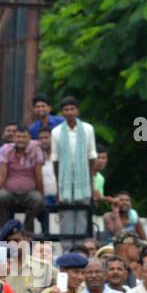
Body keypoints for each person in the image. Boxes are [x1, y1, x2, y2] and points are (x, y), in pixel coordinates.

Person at [50, 96, 96, 242]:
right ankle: (67, 248)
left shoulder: (88, 129)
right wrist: (58, 186)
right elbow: (55, 160)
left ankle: (81, 248)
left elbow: (91, 157)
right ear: (62, 112)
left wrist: (91, 184)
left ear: (78, 111)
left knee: (83, 218)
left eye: (72, 109)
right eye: (66, 109)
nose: (69, 112)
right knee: (66, 218)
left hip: (84, 182)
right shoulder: (56, 132)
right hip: (65, 183)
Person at [0, 127, 44, 227]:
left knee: (37, 198)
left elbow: (38, 175)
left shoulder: (36, 150)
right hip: (10, 193)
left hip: (29, 194)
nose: (21, 139)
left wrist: (42, 195)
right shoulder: (6, 149)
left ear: (29, 138)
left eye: (24, 137)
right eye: (18, 137)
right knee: (1, 196)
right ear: (14, 138)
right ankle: (4, 229)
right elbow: (2, 175)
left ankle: (26, 231)